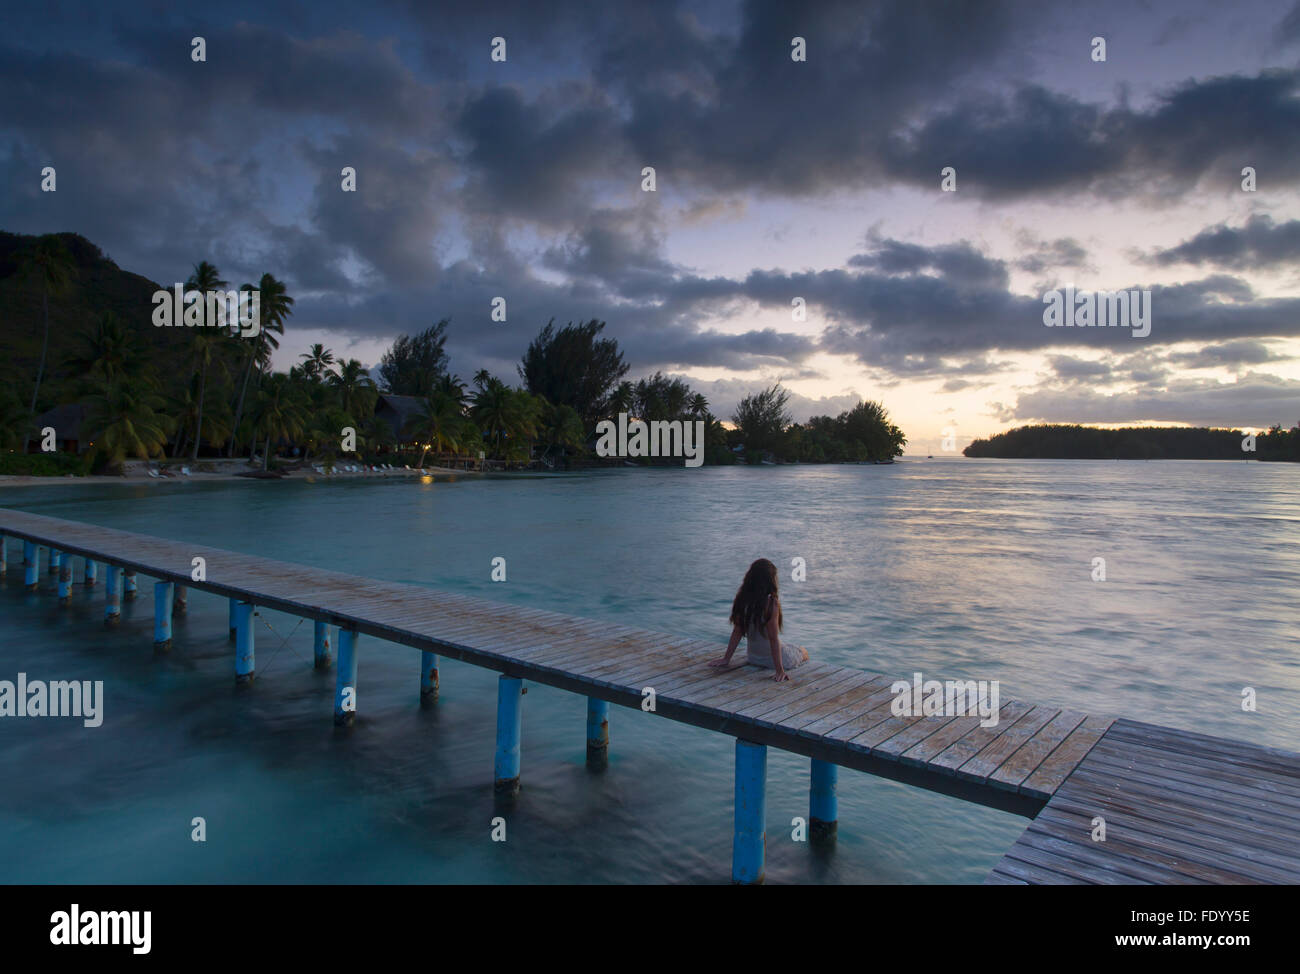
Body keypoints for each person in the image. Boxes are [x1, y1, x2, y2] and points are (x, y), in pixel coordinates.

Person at [710, 558, 809, 682]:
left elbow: (737, 631)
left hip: (753, 658)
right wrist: (779, 670)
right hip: (773, 661)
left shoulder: (743, 600)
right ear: (771, 580)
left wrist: (726, 659)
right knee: (803, 651)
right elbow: (773, 639)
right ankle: (794, 652)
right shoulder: (771, 603)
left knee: (787, 645)